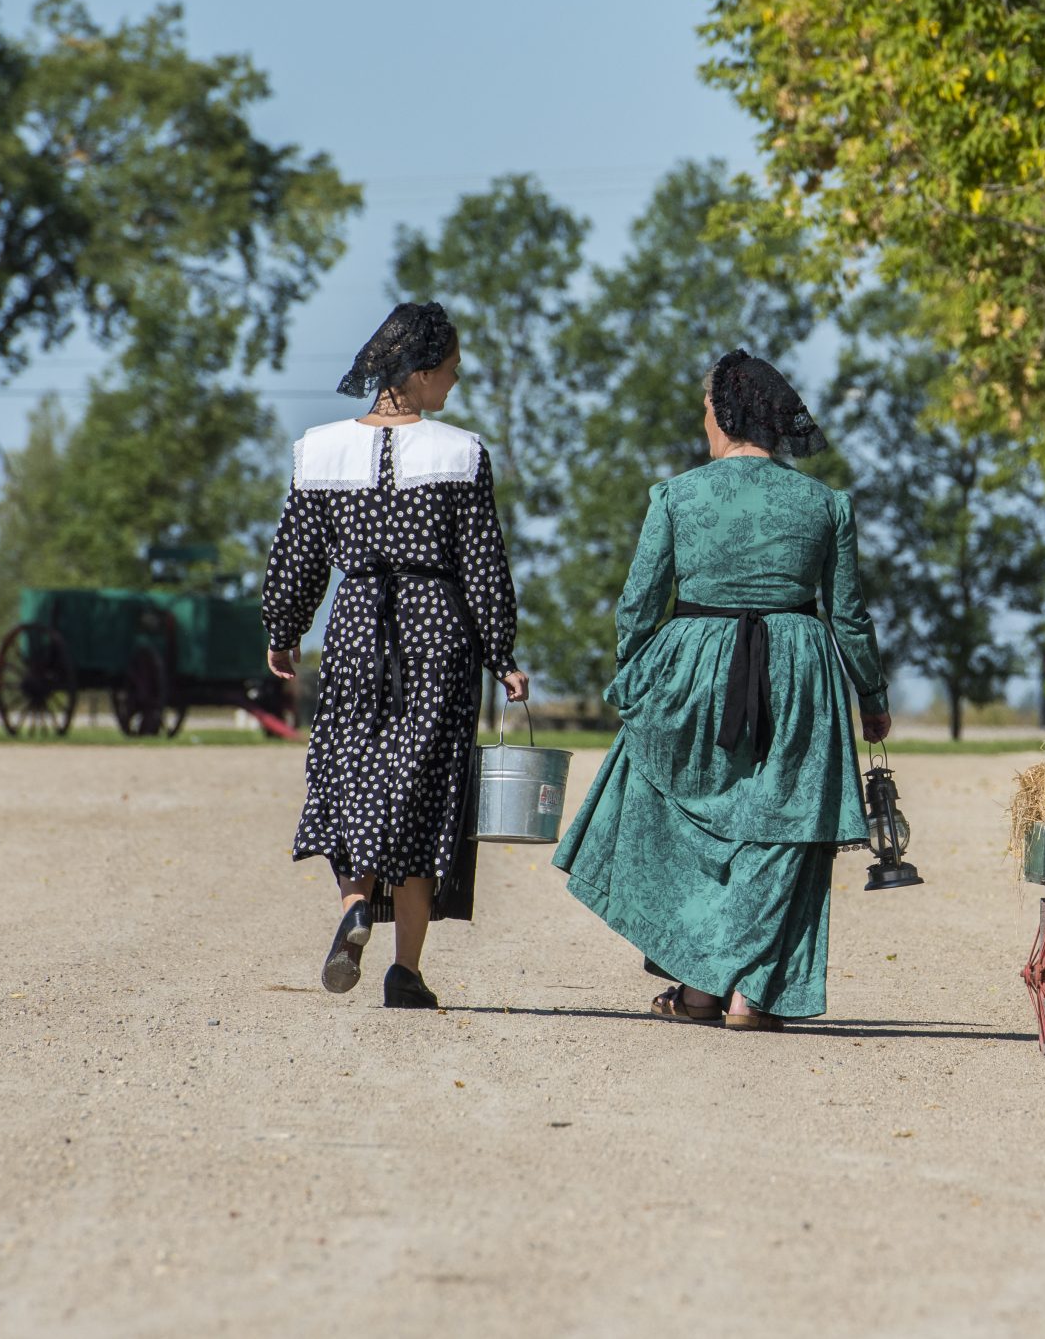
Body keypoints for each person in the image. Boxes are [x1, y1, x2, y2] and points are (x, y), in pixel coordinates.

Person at [553, 350, 892, 1031]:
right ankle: (747, 995)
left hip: (695, 668)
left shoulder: (675, 496)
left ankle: (701, 988)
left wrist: (639, 681)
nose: (703, 421)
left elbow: (637, 608)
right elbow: (849, 615)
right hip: (798, 669)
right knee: (780, 831)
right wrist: (871, 698)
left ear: (727, 415)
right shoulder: (827, 504)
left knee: (690, 824)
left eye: (707, 409)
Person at [262, 301, 529, 1009]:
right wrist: (501, 651)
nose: (453, 386)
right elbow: (483, 566)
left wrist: (284, 631)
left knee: (352, 768)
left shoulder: (318, 451)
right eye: (448, 372)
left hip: (354, 627)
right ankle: (405, 971)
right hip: (439, 630)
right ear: (415, 374)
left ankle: (356, 901)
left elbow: (295, 558)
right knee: (422, 789)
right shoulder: (461, 452)